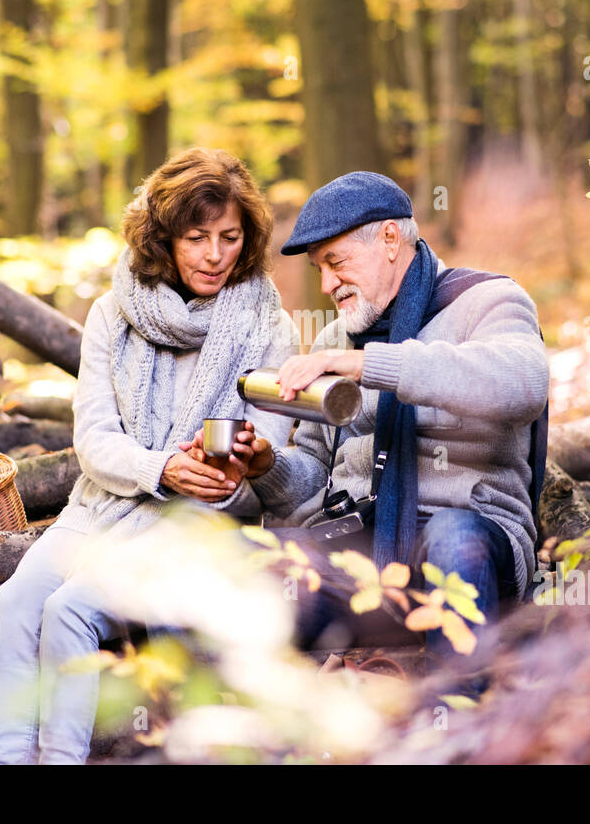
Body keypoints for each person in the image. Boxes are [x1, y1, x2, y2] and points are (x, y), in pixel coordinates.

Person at [0, 148, 297, 764]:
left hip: (196, 522)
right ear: (162, 238)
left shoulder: (270, 326)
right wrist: (159, 468)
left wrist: (235, 473)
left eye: (230, 237)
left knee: (71, 609)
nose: (215, 255)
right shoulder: (113, 314)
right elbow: (94, 440)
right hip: (102, 507)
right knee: (18, 603)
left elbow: (271, 452)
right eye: (197, 237)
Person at [199, 170, 549, 665]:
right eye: (319, 268)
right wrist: (265, 467)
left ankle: (454, 721)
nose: (327, 285)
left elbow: (522, 386)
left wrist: (370, 364)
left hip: (466, 544)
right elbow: (314, 487)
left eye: (336, 262)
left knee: (455, 539)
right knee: (218, 563)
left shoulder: (486, 300)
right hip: (356, 556)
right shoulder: (334, 339)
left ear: (389, 238)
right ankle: (237, 732)